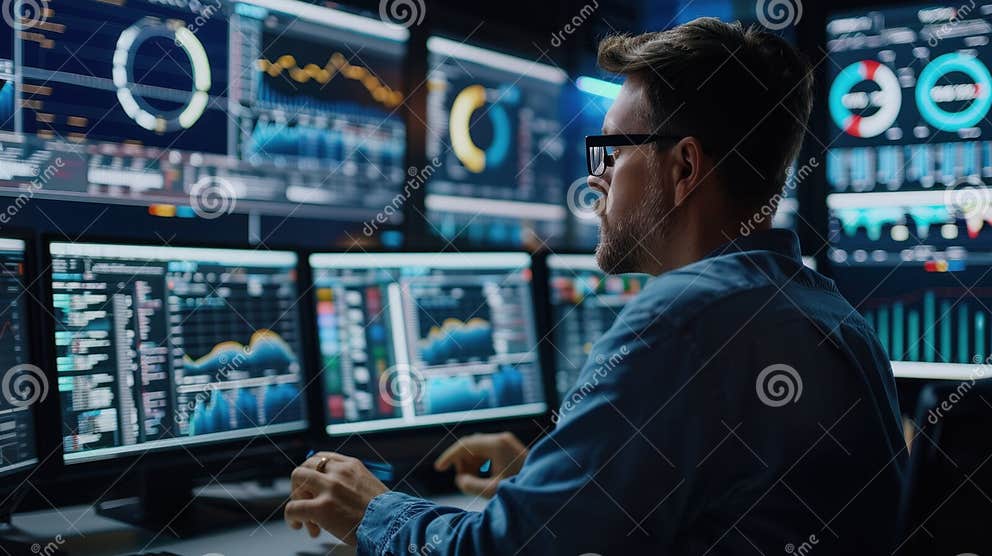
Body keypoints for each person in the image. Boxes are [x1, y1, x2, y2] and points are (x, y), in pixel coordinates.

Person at [285, 18, 907, 554]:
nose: (600, 178)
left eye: (611, 149)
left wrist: (372, 512)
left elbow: (506, 552)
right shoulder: (833, 316)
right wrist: (553, 481)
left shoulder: (684, 315)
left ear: (683, 166)